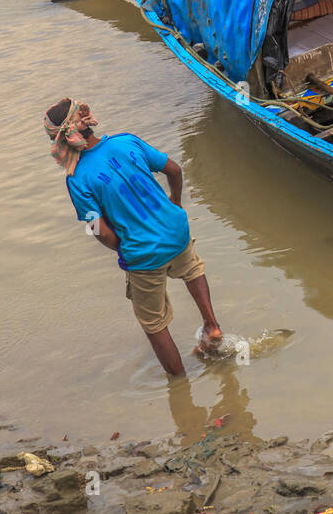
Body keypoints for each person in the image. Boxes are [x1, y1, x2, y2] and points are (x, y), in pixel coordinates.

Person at [44, 98, 222, 376]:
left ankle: (179, 385)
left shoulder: (77, 178)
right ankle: (212, 326)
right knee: (192, 269)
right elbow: (174, 170)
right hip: (176, 232)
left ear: (60, 141)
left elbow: (98, 230)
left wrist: (124, 248)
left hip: (142, 254)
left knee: (154, 325)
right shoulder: (126, 141)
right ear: (87, 121)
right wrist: (175, 204)